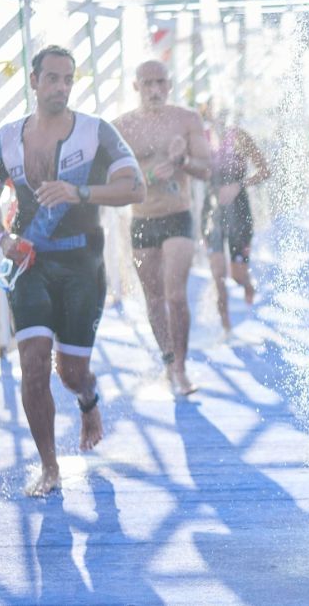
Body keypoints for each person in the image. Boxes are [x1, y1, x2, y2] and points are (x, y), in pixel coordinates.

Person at [0, 45, 143, 496]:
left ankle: (87, 398)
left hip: (82, 264)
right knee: (32, 365)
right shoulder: (7, 138)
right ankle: (50, 467)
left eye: (68, 79)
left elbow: (136, 187)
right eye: (51, 78)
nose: (60, 88)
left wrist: (79, 192)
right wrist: (3, 240)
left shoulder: (95, 133)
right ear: (33, 81)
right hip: (29, 263)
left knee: (70, 372)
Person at [113, 60, 211, 395]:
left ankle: (181, 368)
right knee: (153, 299)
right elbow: (110, 179)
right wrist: (149, 174)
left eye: (161, 82)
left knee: (175, 294)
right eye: (148, 83)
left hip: (178, 216)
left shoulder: (186, 120)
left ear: (169, 85)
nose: (155, 90)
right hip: (142, 219)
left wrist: (183, 161)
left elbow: (208, 170)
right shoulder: (121, 127)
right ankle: (169, 361)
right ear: (136, 87)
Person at [198, 99, 270, 336]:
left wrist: (239, 185)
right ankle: (226, 329)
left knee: (237, 274)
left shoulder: (239, 136)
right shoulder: (200, 138)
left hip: (239, 212)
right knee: (218, 275)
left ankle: (246, 284)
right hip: (212, 212)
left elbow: (264, 170)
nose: (216, 117)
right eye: (211, 112)